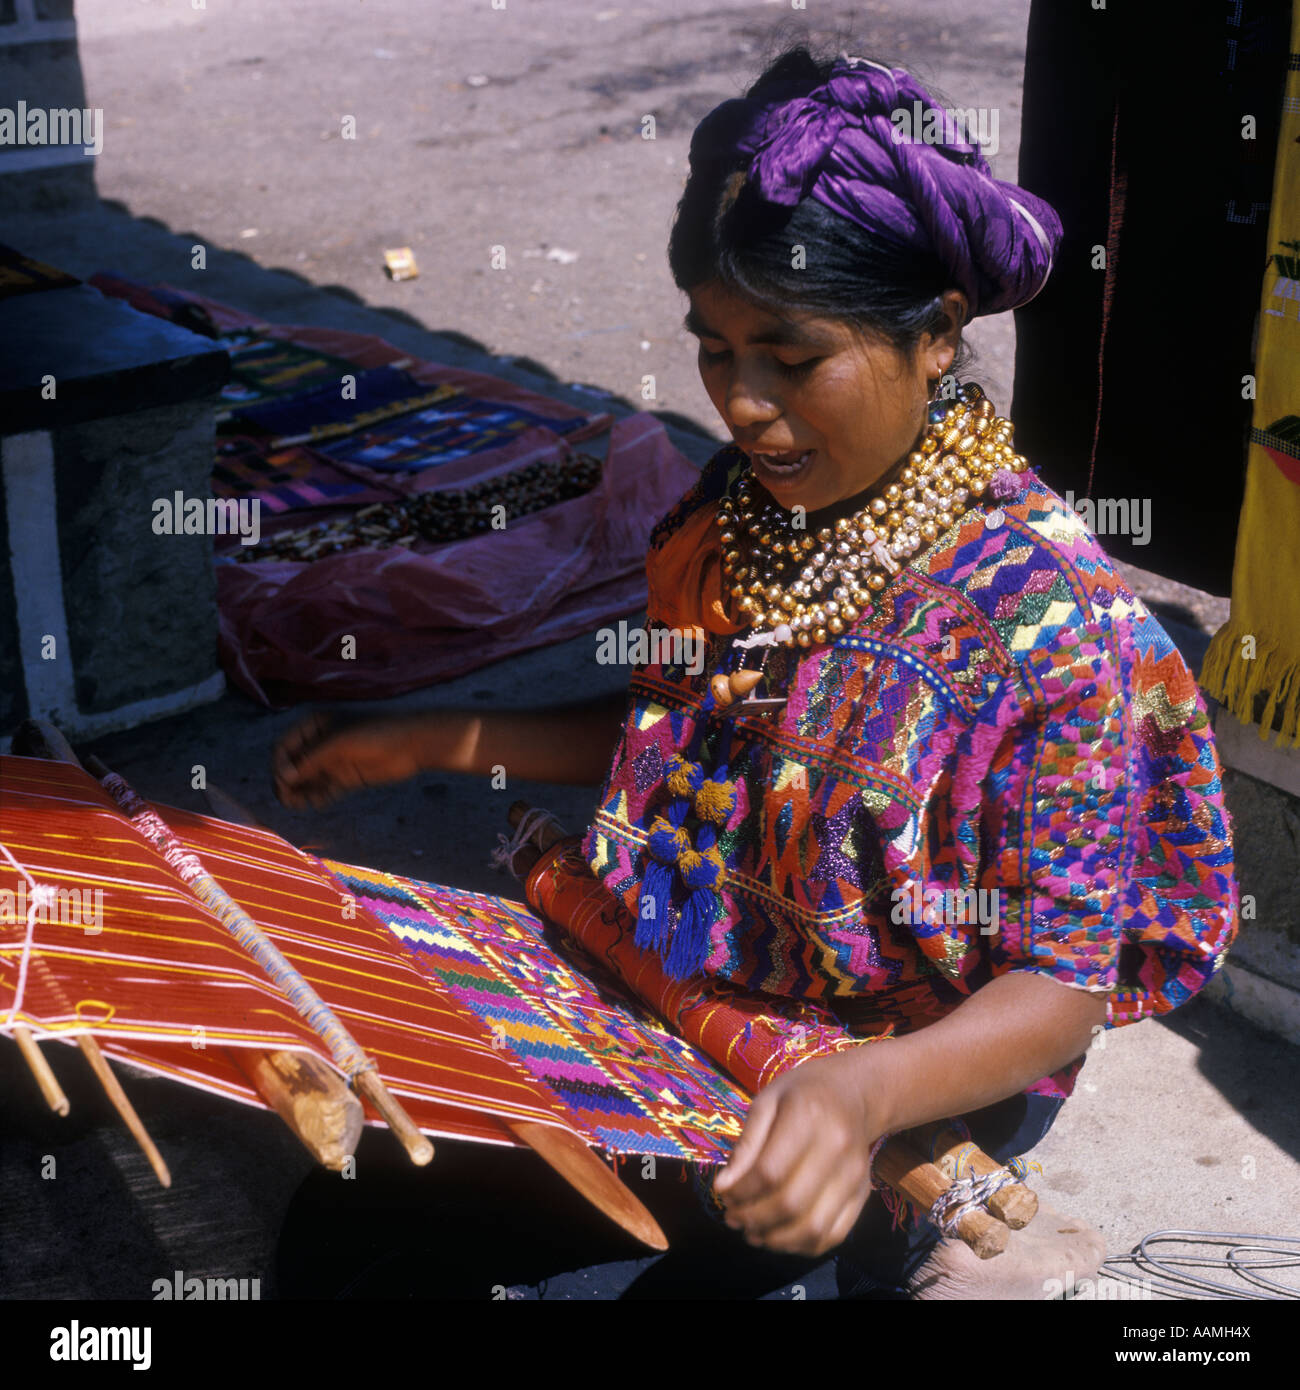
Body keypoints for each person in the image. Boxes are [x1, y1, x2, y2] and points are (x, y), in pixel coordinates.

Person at [272, 46, 1238, 1299]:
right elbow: (684, 735)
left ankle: (966, 1245)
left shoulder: (1052, 630)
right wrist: (438, 740)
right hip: (693, 991)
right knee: (346, 1222)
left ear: (937, 333)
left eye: (791, 356)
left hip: (918, 1065)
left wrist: (858, 1090)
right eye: (716, 351)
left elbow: (1056, 986)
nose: (744, 403)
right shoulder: (743, 517)